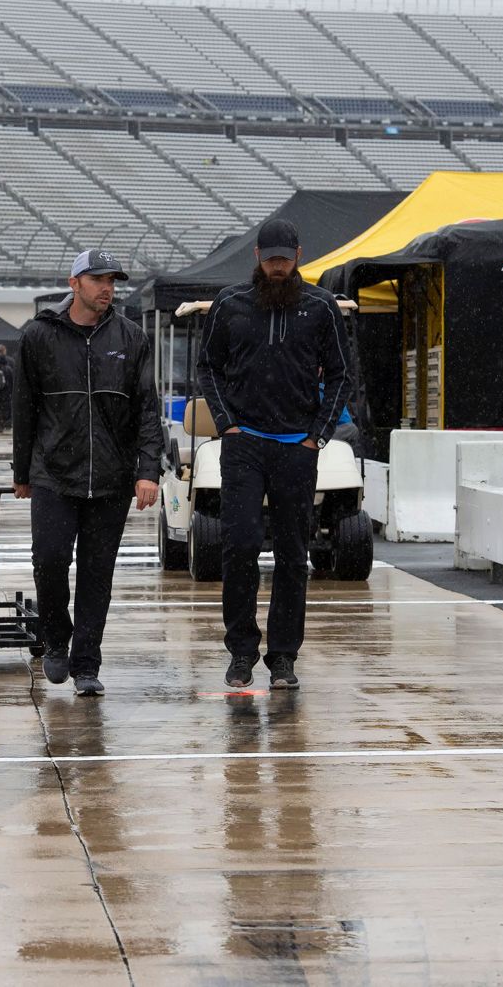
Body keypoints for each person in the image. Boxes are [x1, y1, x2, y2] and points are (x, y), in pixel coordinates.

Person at [197, 217, 351, 691]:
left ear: (298, 255)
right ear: (258, 258)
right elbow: (208, 369)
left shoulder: (321, 308)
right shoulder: (230, 304)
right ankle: (241, 651)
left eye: (284, 259)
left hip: (296, 449)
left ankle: (283, 657)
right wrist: (228, 426)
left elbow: (342, 377)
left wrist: (316, 437)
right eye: (270, 260)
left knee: (292, 553)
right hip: (244, 445)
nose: (277, 267)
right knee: (240, 544)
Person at [13, 248, 164, 697]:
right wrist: (22, 471)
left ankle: (86, 664)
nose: (107, 288)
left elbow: (147, 411)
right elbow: (24, 407)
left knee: (98, 573)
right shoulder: (39, 335)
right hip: (54, 474)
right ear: (74, 282)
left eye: (112, 281)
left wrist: (148, 470)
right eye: (98, 280)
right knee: (51, 561)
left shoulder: (132, 337)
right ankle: (56, 638)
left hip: (113, 477)